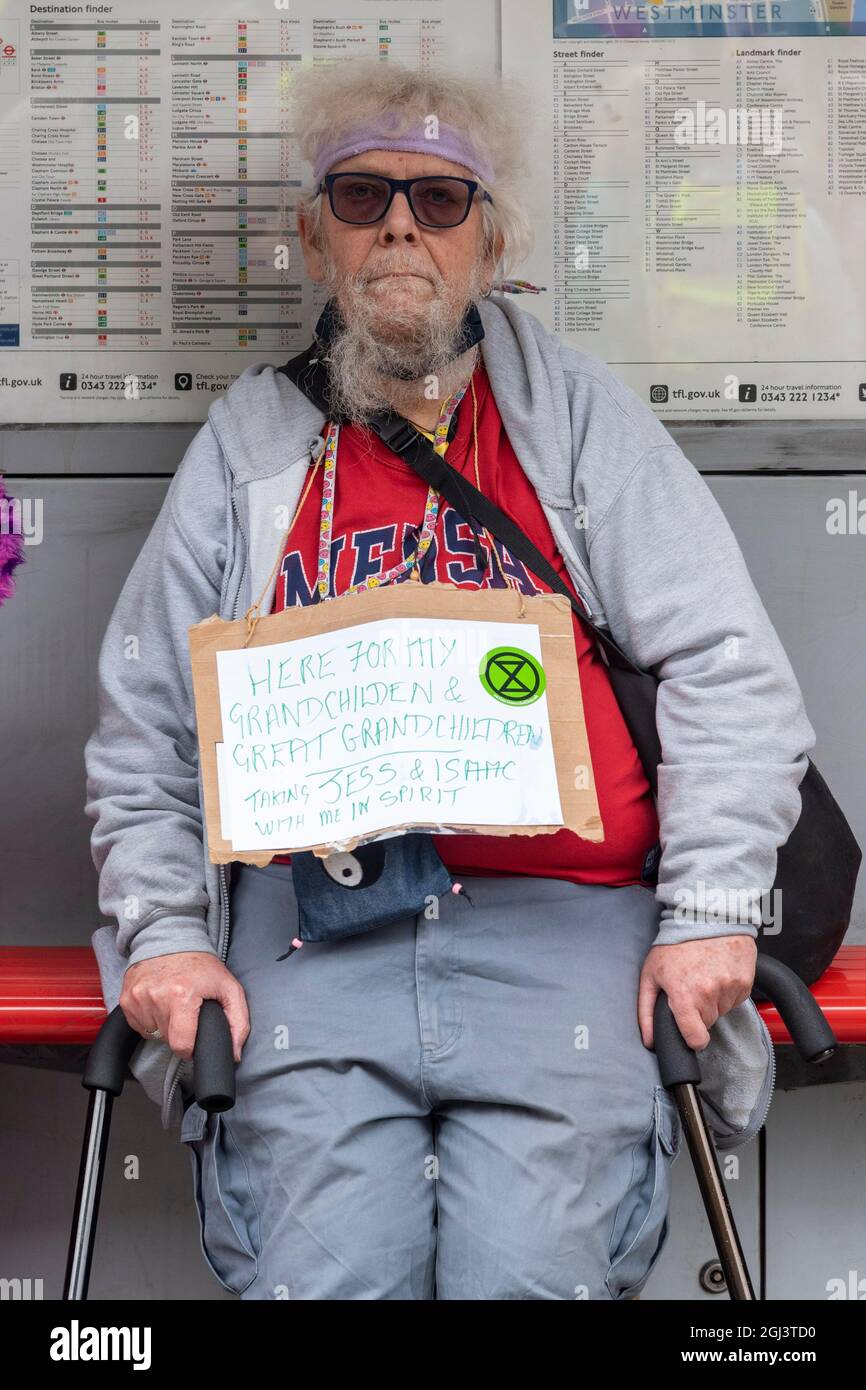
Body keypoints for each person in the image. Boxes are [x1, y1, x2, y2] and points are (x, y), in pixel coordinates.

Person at [84, 58, 814, 1300]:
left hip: (564, 932)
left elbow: (727, 669)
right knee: (326, 1281)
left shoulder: (578, 421)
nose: (401, 229)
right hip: (311, 933)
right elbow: (144, 724)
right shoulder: (250, 445)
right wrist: (160, 933)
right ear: (317, 237)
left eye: (439, 198)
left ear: (493, 238)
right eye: (363, 198)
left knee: (531, 1279)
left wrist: (705, 914)